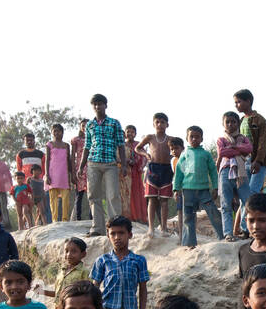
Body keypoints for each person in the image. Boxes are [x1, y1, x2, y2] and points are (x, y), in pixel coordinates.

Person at [90, 215, 148, 309]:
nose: (117, 237)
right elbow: (94, 288)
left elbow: (143, 290)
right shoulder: (103, 260)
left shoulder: (138, 260)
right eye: (113, 234)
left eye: (121, 233)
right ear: (108, 236)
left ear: (130, 235)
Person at [83, 94, 127, 235]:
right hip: (93, 163)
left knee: (113, 195)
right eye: (95, 104)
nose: (97, 107)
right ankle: (97, 228)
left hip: (110, 163)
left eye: (100, 104)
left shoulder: (114, 123)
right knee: (93, 196)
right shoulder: (89, 125)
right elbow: (87, 146)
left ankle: (116, 227)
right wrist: (81, 166)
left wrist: (124, 165)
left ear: (105, 105)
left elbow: (121, 145)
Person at [175, 125, 222, 246]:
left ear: (202, 139)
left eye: (197, 137)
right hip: (188, 191)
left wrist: (216, 187)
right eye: (192, 136)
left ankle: (222, 236)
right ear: (187, 138)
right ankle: (189, 243)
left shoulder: (205, 154)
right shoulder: (184, 154)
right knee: (188, 217)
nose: (194, 139)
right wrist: (176, 189)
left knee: (213, 212)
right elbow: (179, 172)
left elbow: (213, 171)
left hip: (203, 191)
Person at [234, 88, 266, 217]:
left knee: (253, 192)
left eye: (239, 102)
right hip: (244, 161)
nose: (236, 105)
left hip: (257, 161)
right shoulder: (240, 121)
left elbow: (263, 142)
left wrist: (259, 161)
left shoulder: (259, 120)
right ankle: (246, 227)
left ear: (248, 101)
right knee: (245, 193)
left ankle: (249, 224)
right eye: (235, 102)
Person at [137, 113, 175, 236]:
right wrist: (146, 155)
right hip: (153, 169)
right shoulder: (150, 137)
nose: (160, 124)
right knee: (152, 200)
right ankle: (151, 228)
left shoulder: (170, 139)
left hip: (166, 169)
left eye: (162, 122)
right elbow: (138, 148)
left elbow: (179, 149)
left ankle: (163, 228)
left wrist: (172, 156)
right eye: (157, 122)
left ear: (167, 124)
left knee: (164, 201)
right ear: (153, 124)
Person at [217, 111, 253, 239]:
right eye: (228, 122)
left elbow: (248, 149)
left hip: (241, 173)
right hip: (226, 171)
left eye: (233, 122)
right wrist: (238, 149)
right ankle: (228, 233)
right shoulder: (221, 139)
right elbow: (222, 151)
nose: (230, 124)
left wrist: (233, 148)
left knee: (247, 202)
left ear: (238, 123)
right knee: (226, 204)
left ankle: (246, 230)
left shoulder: (243, 138)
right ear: (223, 124)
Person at [42, 236, 90, 309]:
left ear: (83, 254)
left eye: (74, 251)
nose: (69, 255)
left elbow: (88, 293)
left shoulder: (84, 272)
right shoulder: (61, 272)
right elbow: (58, 294)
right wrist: (42, 291)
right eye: (66, 251)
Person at [44, 123, 76, 223]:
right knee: (53, 199)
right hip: (52, 174)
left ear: (62, 132)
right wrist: (47, 175)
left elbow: (69, 160)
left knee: (65, 198)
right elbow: (47, 160)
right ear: (52, 133)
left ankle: (65, 219)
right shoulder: (49, 144)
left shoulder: (66, 145)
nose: (57, 133)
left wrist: (72, 175)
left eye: (59, 131)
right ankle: (54, 220)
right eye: (55, 131)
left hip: (64, 175)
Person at [15, 132, 47, 226]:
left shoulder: (40, 154)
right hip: (26, 184)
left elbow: (44, 169)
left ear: (34, 141)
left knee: (40, 205)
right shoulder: (21, 154)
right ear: (24, 141)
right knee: (27, 206)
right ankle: (27, 225)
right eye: (27, 140)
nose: (29, 142)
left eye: (31, 140)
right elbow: (19, 169)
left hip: (38, 183)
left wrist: (42, 180)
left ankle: (39, 222)